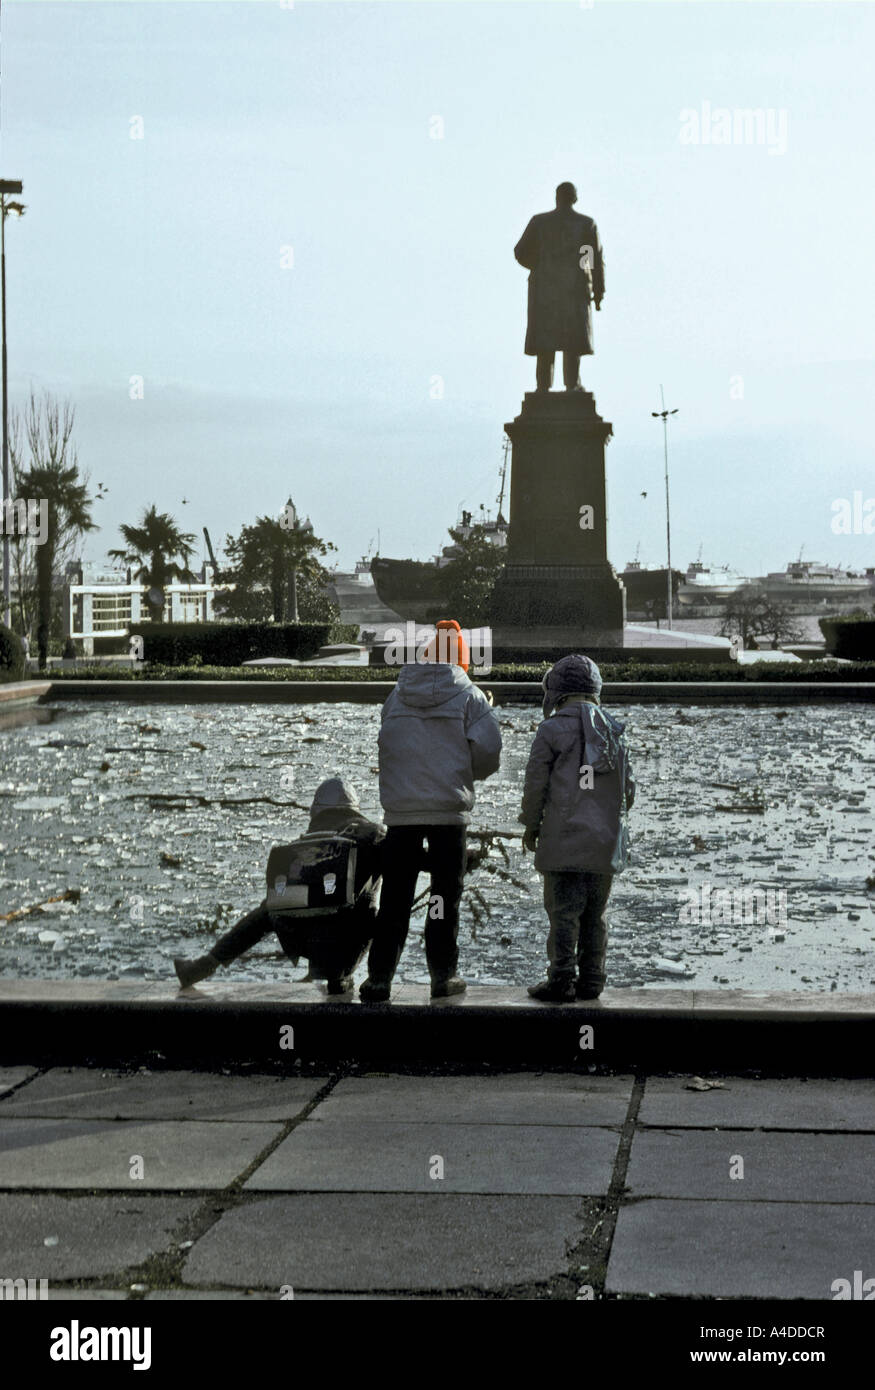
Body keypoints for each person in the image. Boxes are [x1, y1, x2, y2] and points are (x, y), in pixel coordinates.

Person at [360, 619, 502, 1003]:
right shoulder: (470, 696)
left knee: (395, 898)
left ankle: (378, 979)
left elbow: (387, 744)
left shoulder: (397, 694)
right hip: (447, 812)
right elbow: (489, 753)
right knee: (443, 897)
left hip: (402, 813)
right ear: (461, 659)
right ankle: (443, 975)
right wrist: (464, 772)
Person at [173, 777, 384, 994]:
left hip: (299, 939)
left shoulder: (301, 846)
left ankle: (203, 966)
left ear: (316, 811)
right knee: (379, 910)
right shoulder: (373, 835)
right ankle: (365, 979)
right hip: (345, 945)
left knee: (269, 907)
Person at [520, 654, 635, 1003]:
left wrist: (530, 824)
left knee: (563, 914)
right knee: (594, 916)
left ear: (556, 691)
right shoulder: (614, 731)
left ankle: (561, 979)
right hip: (604, 844)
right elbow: (628, 791)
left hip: (563, 840)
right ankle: (593, 979)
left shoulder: (551, 730)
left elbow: (536, 784)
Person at [514, 181, 605, 393]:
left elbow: (520, 252)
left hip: (545, 290)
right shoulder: (584, 225)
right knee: (571, 341)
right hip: (572, 290)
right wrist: (597, 290)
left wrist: (540, 266)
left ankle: (543, 386)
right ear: (574, 198)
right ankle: (572, 384)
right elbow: (589, 261)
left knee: (546, 340)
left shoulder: (540, 223)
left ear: (557, 197)